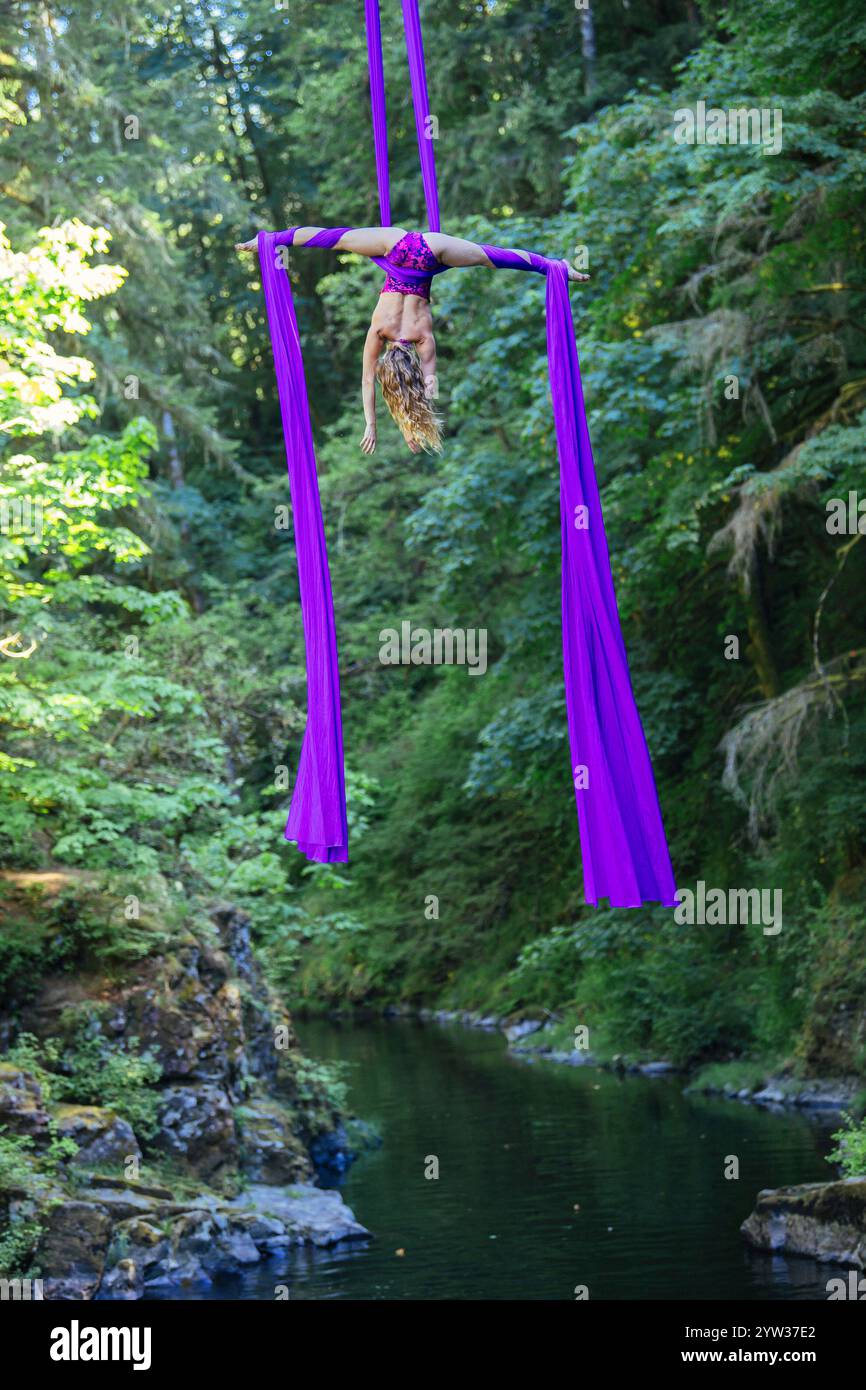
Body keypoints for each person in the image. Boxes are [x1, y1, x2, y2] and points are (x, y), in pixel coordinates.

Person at [237, 226, 589, 454]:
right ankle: (268, 239)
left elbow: (429, 387)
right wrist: (371, 423)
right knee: (335, 239)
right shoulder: (379, 333)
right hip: (397, 246)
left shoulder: (423, 341)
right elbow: (367, 381)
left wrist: (413, 421)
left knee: (490, 258)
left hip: (430, 255)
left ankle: (558, 268)